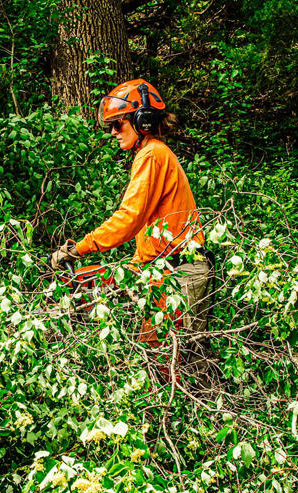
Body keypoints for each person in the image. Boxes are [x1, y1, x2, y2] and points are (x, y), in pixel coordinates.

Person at [50, 78, 213, 342]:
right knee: (84, 280)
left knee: (166, 367)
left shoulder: (152, 155)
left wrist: (78, 248)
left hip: (178, 273)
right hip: (161, 269)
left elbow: (130, 218)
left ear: (142, 121)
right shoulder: (151, 154)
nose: (113, 132)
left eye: (118, 124)